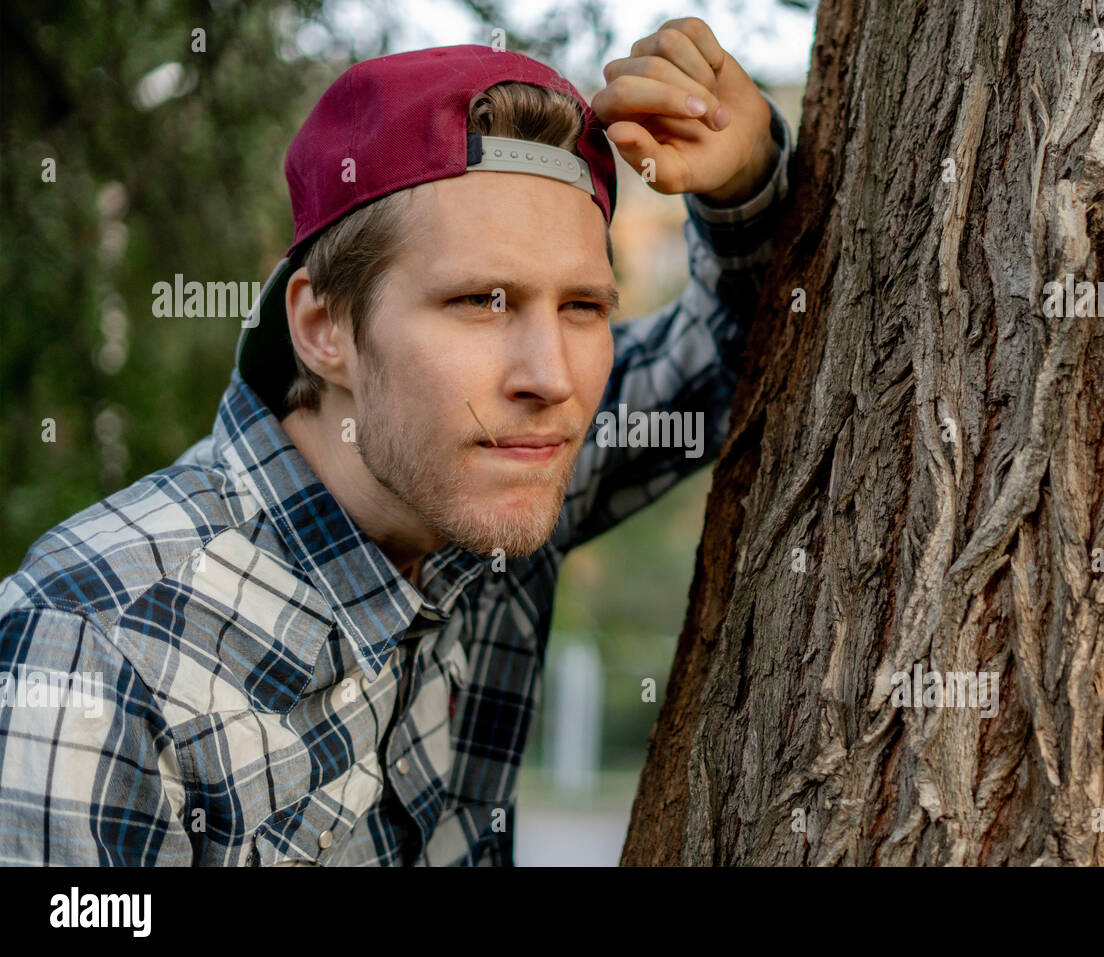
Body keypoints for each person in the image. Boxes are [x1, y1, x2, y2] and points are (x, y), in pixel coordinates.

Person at [0, 18, 792, 865]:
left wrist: (741, 177)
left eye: (583, 307)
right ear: (323, 325)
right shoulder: (94, 651)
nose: (551, 378)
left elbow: (750, 352)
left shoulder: (496, 477)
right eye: (482, 300)